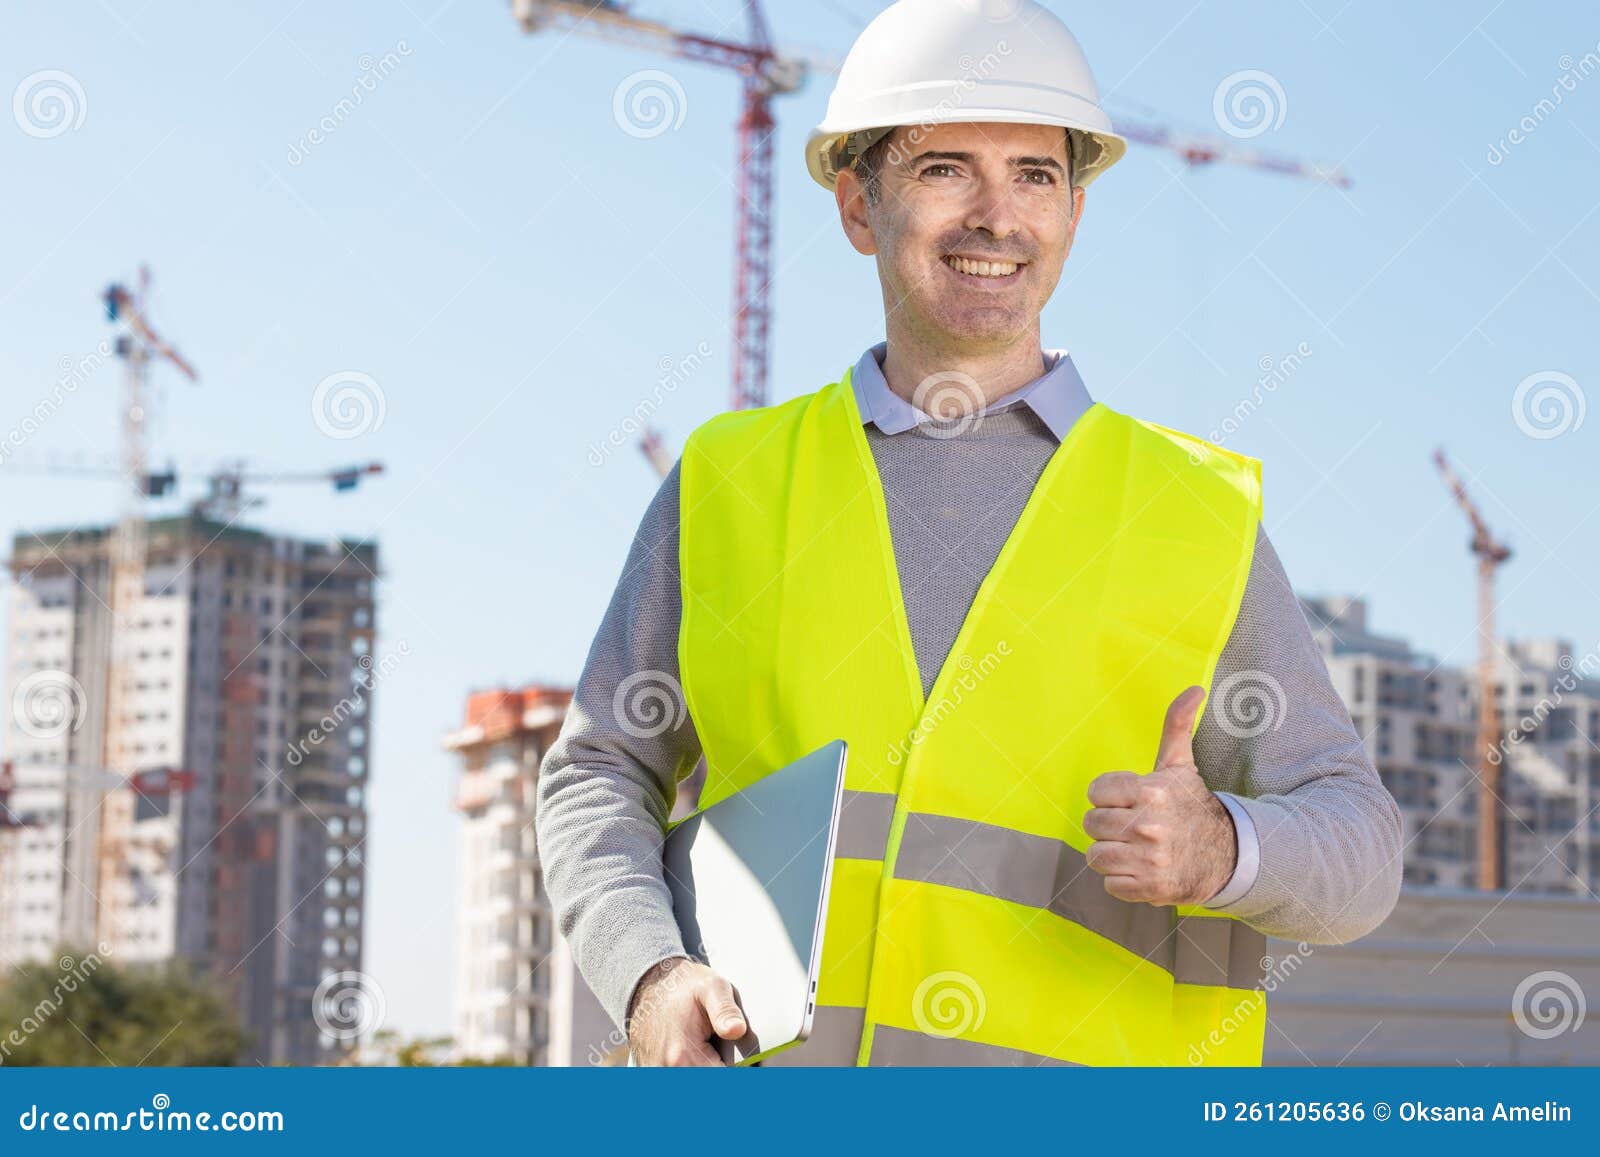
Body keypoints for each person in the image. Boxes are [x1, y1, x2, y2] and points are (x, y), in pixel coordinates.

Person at [536, 0, 1402, 1067]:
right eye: (946, 168)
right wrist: (648, 972)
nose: (997, 217)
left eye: (1034, 175)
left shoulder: (1190, 511)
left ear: (1074, 211)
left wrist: (1223, 846)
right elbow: (598, 770)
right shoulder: (729, 481)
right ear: (859, 205)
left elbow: (1362, 848)